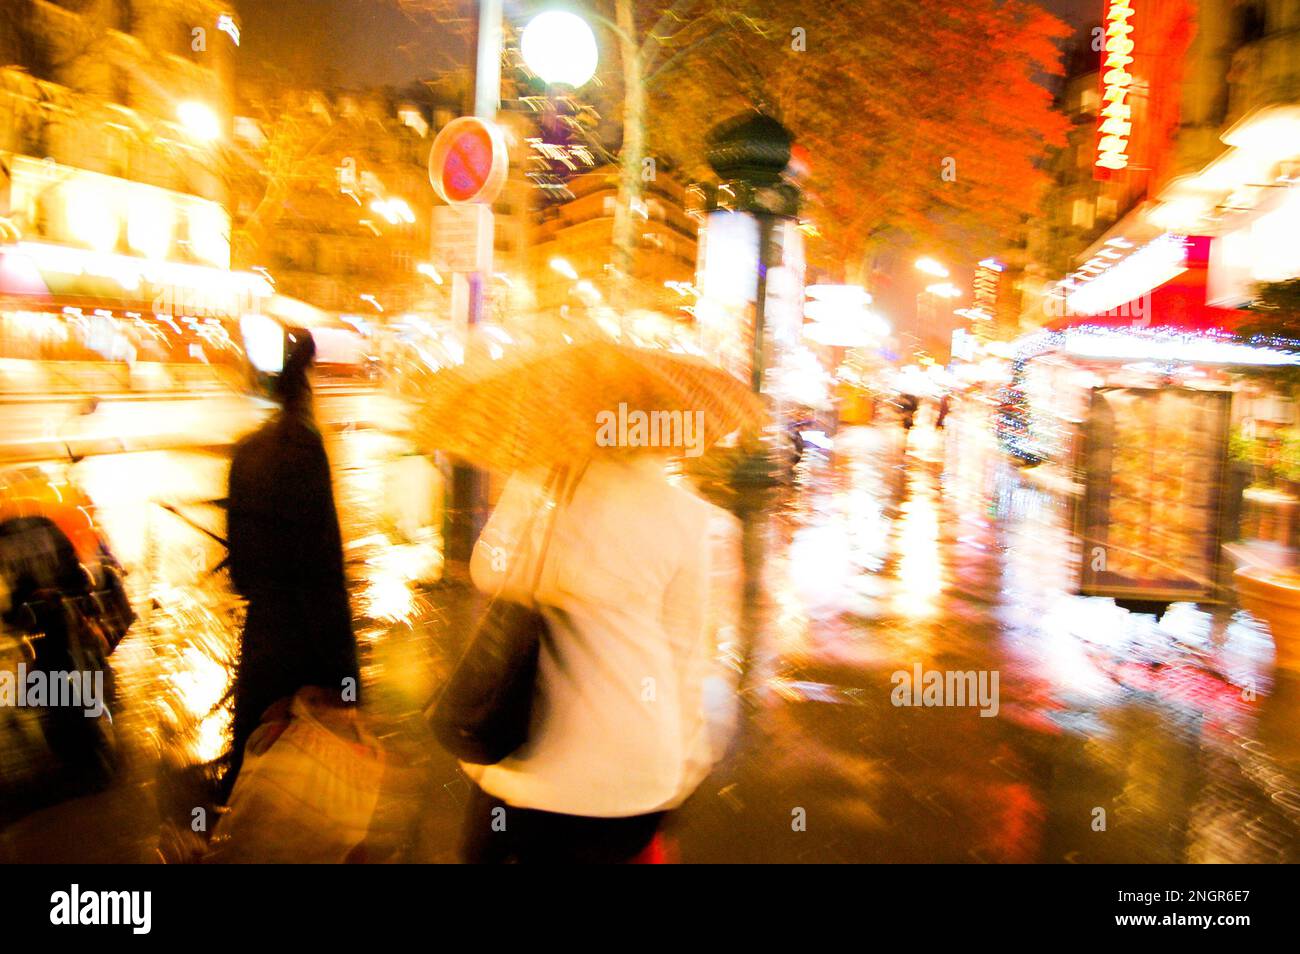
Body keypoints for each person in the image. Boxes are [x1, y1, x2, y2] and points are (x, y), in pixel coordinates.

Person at [459, 454, 729, 863]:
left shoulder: (541, 481)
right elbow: (686, 658)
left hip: (523, 768)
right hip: (632, 780)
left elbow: (487, 570)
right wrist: (684, 768)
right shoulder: (683, 510)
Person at [222, 329, 359, 798]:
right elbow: (321, 570)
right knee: (312, 787)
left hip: (262, 637)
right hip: (307, 646)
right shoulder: (305, 449)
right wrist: (346, 675)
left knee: (251, 769)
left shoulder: (248, 449)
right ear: (306, 377)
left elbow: (239, 567)